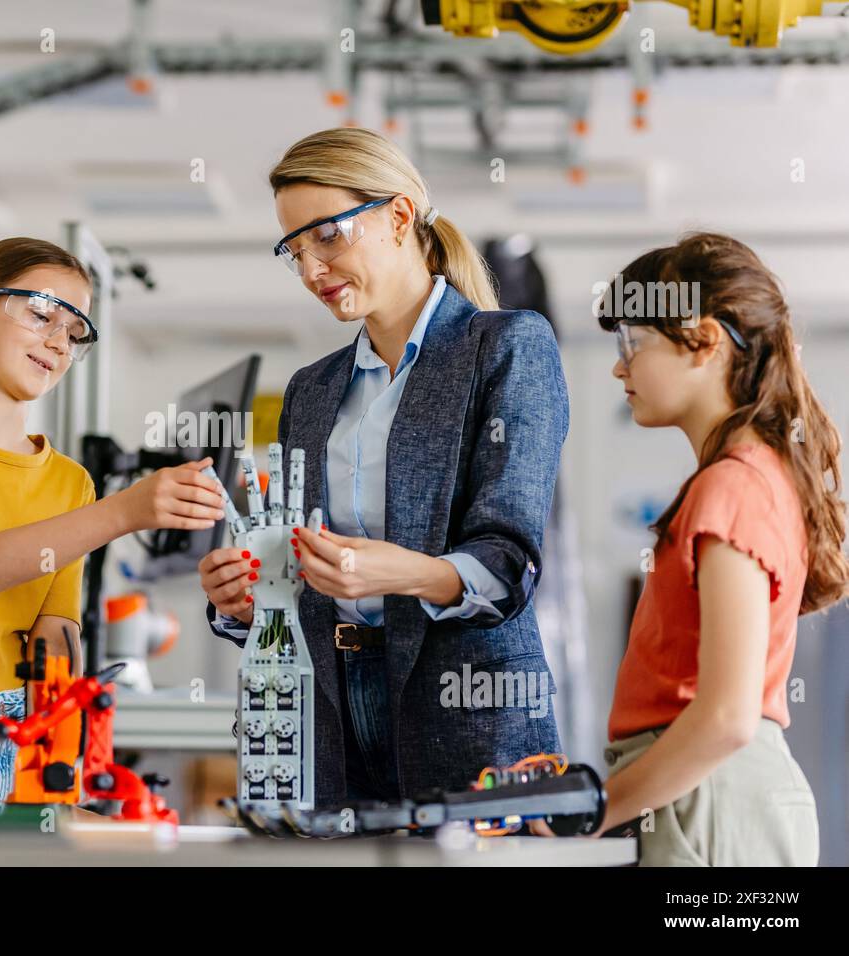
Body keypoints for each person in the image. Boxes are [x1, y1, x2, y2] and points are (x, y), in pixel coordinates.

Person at [199, 128, 568, 807]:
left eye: (328, 237)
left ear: (399, 216)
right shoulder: (312, 389)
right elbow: (303, 578)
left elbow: (509, 565)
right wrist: (250, 603)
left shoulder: (505, 347)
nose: (312, 269)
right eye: (296, 250)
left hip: (465, 706)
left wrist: (391, 570)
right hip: (328, 710)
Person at [0, 237, 225, 813]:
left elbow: (54, 634)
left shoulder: (70, 483)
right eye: (40, 314)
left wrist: (63, 750)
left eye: (74, 331)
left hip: (15, 729)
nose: (58, 342)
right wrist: (126, 510)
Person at [540, 232, 846, 864]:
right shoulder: (753, 477)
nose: (619, 366)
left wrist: (598, 812)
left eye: (632, 342)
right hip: (710, 791)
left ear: (704, 341)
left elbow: (728, 717)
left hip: (712, 794)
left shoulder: (730, 485)